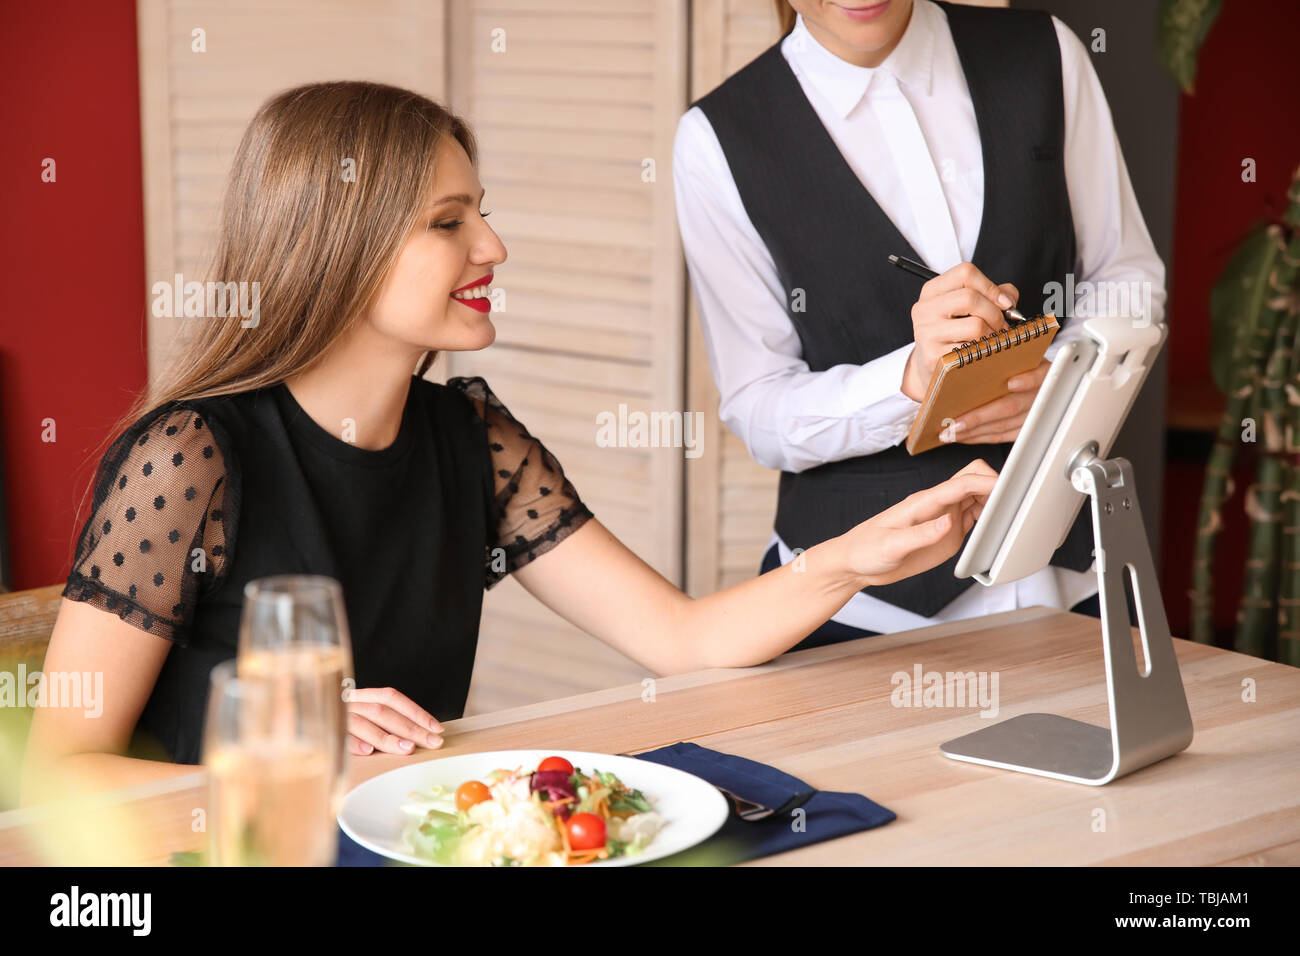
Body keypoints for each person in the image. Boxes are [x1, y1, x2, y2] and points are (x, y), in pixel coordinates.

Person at [20, 81, 996, 801]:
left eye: (480, 212)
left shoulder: (470, 436)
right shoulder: (191, 457)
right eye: (449, 221)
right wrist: (274, 754)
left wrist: (856, 557)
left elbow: (683, 637)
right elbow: (61, 776)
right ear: (340, 242)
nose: (492, 246)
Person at [672, 0, 1164, 648]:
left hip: (1072, 582)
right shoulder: (717, 139)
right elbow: (758, 406)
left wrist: (1067, 385)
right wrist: (908, 382)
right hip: (857, 620)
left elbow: (1125, 273)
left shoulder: (1045, 52)